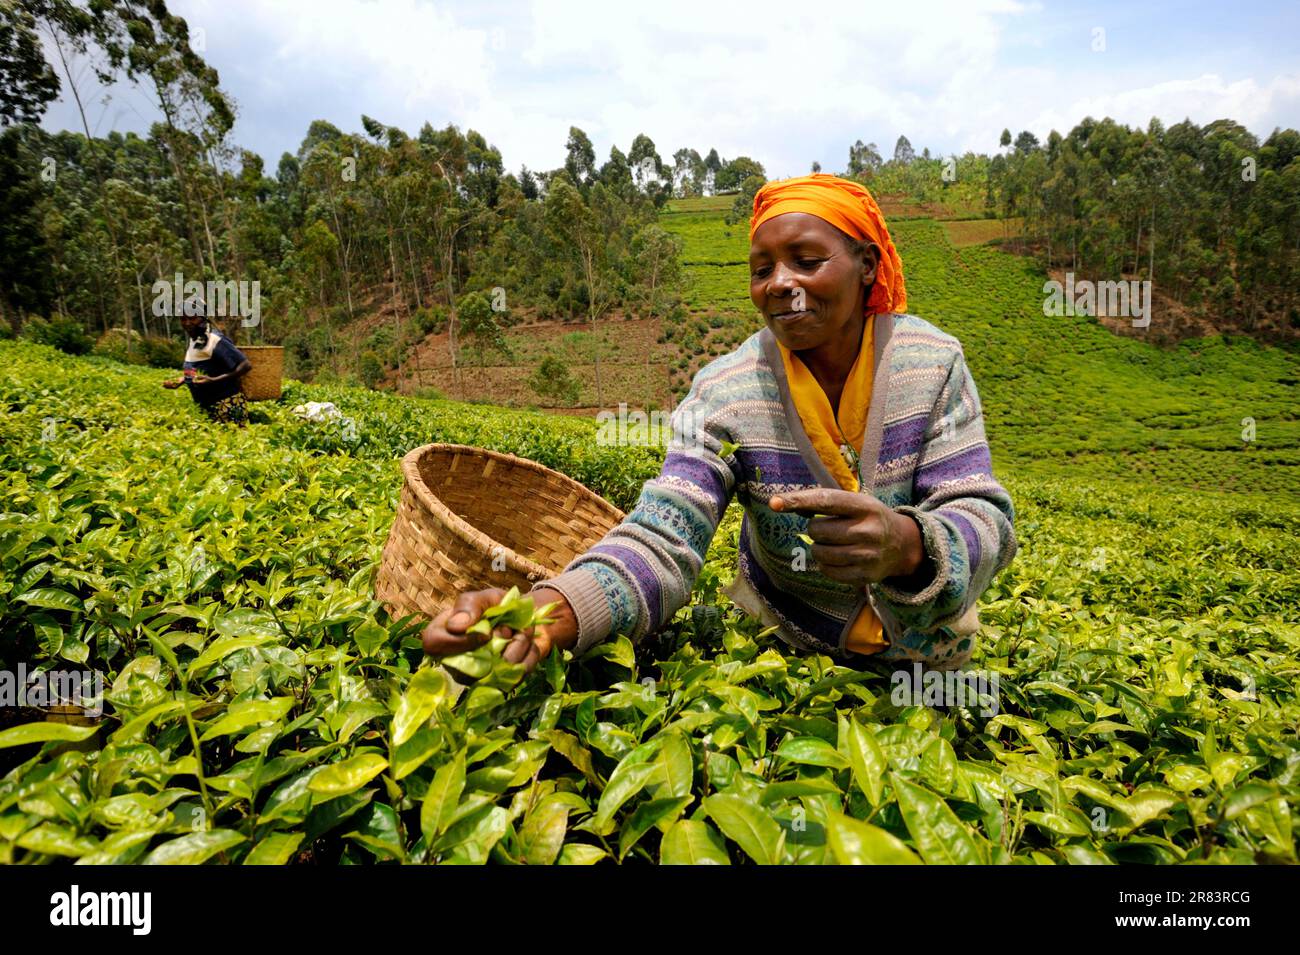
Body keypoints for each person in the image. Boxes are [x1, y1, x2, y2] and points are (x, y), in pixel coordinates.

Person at [423, 173, 1018, 676]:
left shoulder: (931, 362)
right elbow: (665, 534)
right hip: (784, 654)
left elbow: (981, 514)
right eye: (763, 270)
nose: (781, 283)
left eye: (807, 262)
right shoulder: (725, 389)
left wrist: (909, 546)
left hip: (927, 661)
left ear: (867, 265)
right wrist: (549, 614)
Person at [161, 298, 253, 426]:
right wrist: (183, 380)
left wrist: (214, 380)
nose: (187, 323)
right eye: (183, 319)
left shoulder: (214, 339)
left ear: (203, 318)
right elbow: (202, 367)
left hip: (227, 406)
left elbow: (245, 365)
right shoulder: (195, 340)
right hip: (207, 407)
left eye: (193, 318)